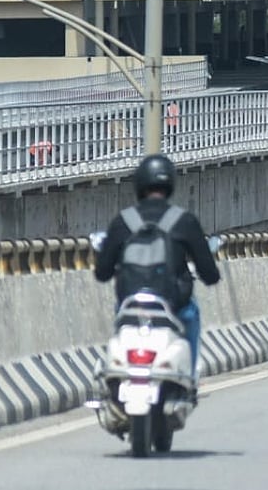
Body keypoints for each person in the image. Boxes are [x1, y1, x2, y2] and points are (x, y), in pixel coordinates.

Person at [94, 154, 221, 392]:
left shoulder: (123, 221)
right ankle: (189, 381)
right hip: (173, 307)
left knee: (119, 320)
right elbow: (210, 274)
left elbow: (102, 273)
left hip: (131, 308)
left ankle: (115, 380)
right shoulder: (184, 221)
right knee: (191, 314)